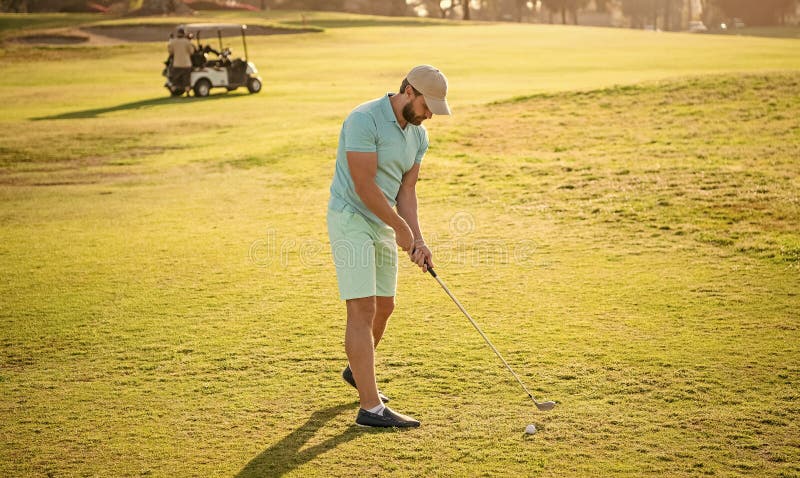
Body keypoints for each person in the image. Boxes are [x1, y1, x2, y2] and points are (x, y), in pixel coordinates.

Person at [327, 65, 451, 428]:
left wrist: (418, 237)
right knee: (362, 308)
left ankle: (357, 370)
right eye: (428, 106)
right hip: (351, 217)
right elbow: (364, 186)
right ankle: (370, 408)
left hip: (383, 222)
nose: (430, 115)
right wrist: (399, 228)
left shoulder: (418, 136)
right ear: (409, 91)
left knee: (386, 306)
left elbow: (406, 192)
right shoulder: (364, 119)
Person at [167, 27, 195, 95]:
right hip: (186, 64)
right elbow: (191, 52)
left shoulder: (173, 42)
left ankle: (173, 92)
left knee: (175, 80)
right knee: (186, 80)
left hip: (176, 64)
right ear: (184, 33)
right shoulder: (187, 42)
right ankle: (188, 93)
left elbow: (171, 52)